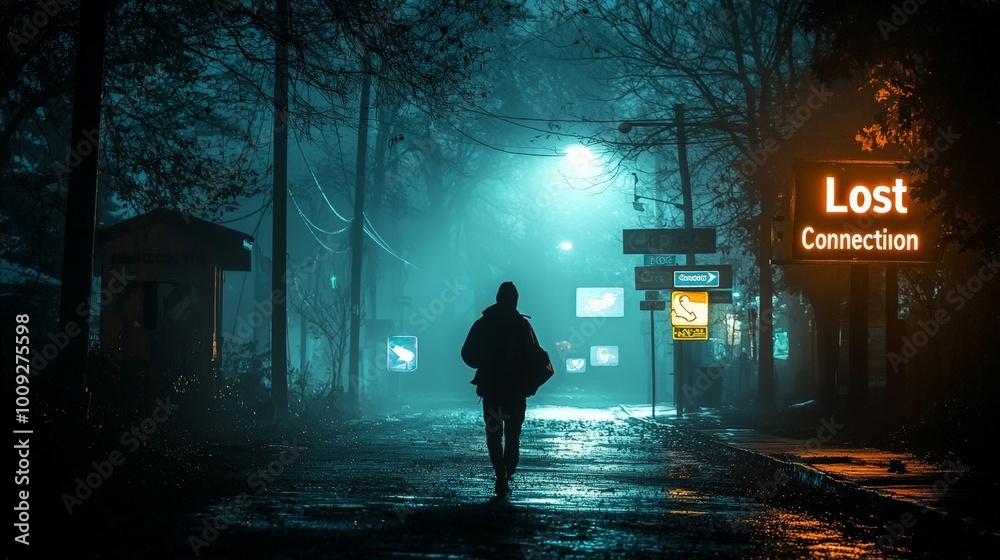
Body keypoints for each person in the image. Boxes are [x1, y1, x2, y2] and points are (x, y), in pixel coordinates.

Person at [461, 281, 536, 497]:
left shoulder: (483, 324)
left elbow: (468, 353)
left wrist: (484, 364)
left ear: (497, 298)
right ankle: (506, 473)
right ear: (515, 300)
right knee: (513, 434)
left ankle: (500, 474)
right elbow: (534, 355)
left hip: (492, 389)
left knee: (494, 434)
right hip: (515, 390)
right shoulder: (522, 326)